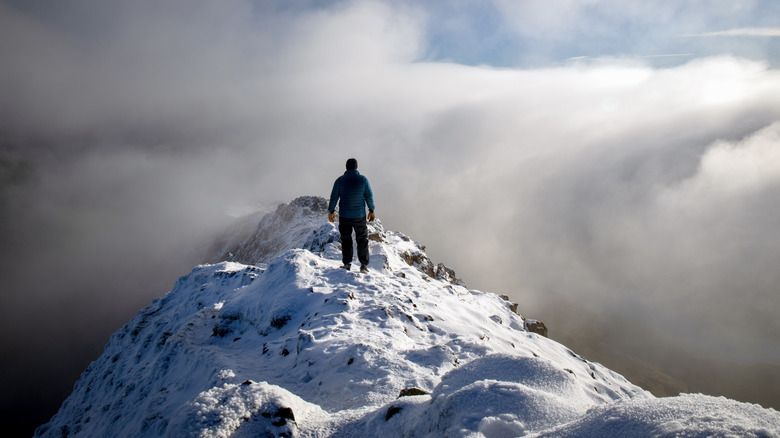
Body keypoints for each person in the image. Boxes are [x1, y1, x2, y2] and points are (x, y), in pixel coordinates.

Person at [328, 158, 376, 273]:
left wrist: (331, 211)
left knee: (346, 239)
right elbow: (369, 196)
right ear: (356, 167)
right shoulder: (363, 180)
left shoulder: (340, 180)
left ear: (346, 167)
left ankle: (347, 264)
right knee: (362, 239)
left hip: (345, 215)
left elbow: (334, 197)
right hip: (359, 215)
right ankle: (363, 265)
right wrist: (371, 209)